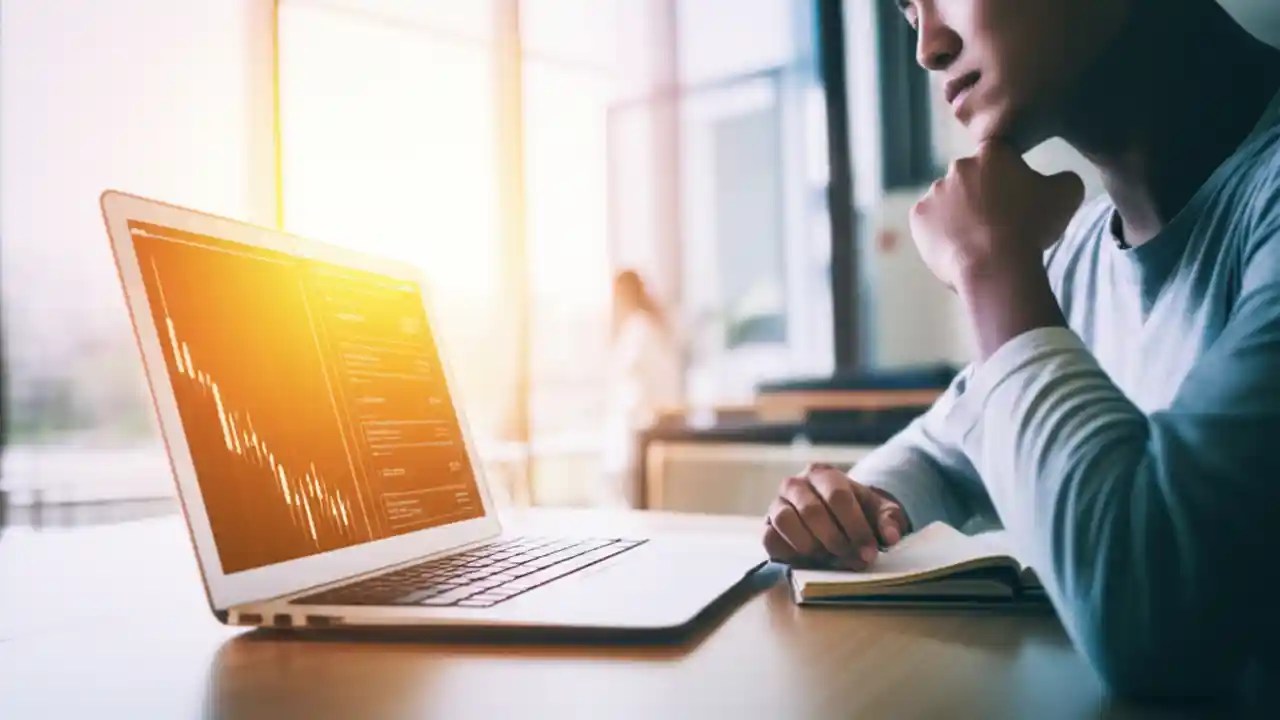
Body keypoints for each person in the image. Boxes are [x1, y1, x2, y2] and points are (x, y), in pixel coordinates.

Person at [762, 0, 1280, 699]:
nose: (928, 48)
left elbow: (1156, 624)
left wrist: (991, 263)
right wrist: (852, 506)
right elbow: (941, 452)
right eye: (910, 15)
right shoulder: (1081, 258)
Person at [600, 270, 681, 507]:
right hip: (655, 425)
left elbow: (629, 387)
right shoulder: (653, 326)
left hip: (642, 427)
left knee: (635, 500)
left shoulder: (638, 329)